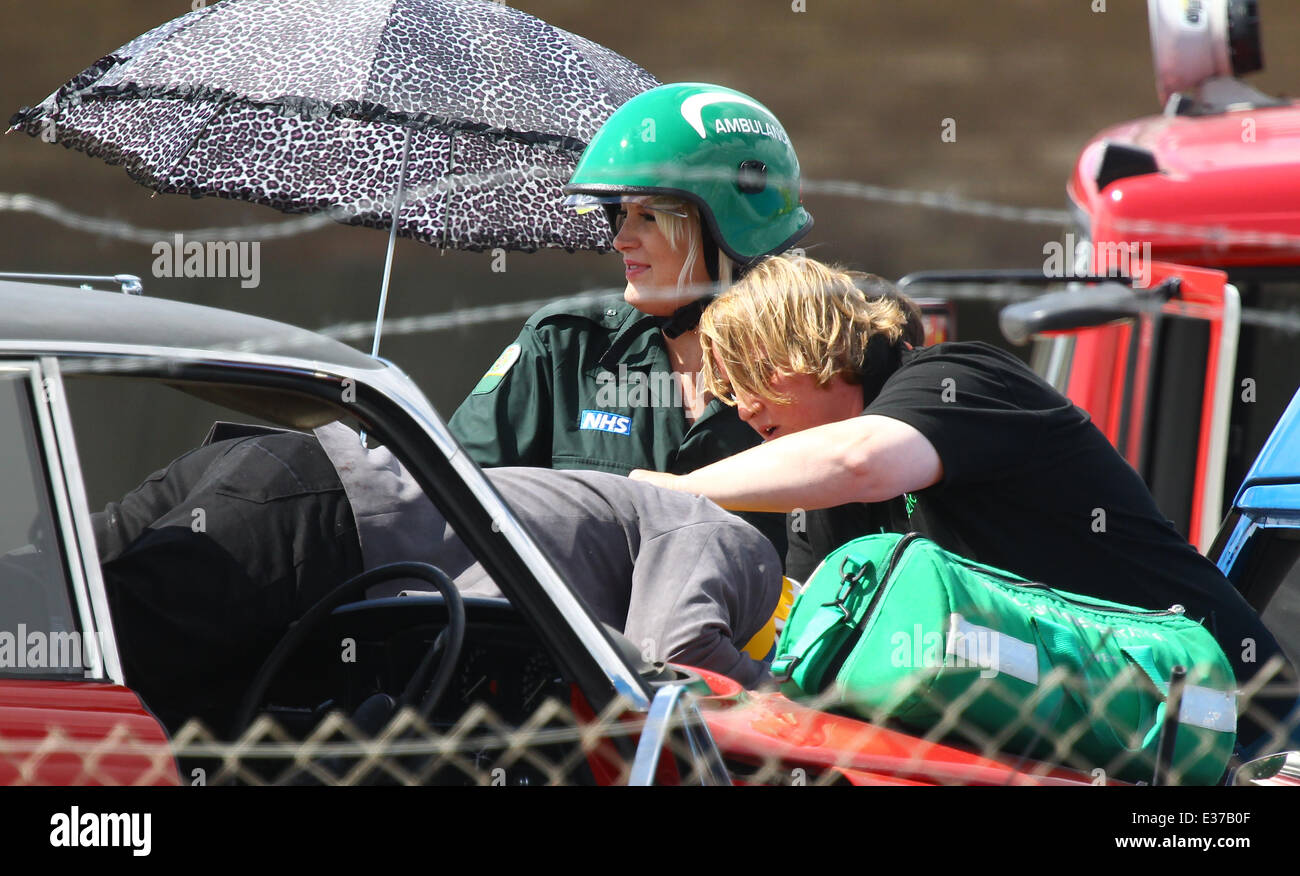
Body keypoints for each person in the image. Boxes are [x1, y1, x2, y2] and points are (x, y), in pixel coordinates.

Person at [629, 254, 1296, 748]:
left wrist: (676, 493)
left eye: (750, 377)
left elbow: (862, 460)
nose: (743, 409)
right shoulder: (832, 491)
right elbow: (810, 643)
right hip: (1118, 742)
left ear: (809, 347)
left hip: (1244, 732)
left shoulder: (958, 379)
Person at [91, 423, 782, 733]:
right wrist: (792, 705)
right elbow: (677, 659)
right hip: (324, 518)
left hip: (283, 486)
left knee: (52, 595)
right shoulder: (739, 544)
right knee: (88, 652)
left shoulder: (636, 526)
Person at [447, 82, 812, 556]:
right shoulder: (563, 347)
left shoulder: (815, 373)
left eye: (649, 217)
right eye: (620, 215)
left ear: (727, 226)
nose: (621, 239)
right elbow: (449, 504)